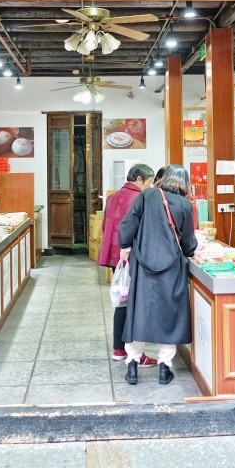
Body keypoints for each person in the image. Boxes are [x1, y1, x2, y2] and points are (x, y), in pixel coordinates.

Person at [118, 164, 197, 386]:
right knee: (170, 315)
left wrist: (125, 246)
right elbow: (188, 242)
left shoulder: (147, 195)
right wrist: (190, 252)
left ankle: (132, 366)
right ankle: (164, 368)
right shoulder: (184, 204)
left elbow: (128, 224)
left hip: (143, 266)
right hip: (172, 267)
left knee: (139, 312)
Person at [97, 163, 158, 367]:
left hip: (117, 256)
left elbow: (106, 225)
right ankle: (135, 353)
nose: (150, 187)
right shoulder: (140, 198)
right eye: (149, 182)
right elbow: (144, 230)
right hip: (134, 257)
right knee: (135, 304)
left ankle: (118, 349)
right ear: (139, 179)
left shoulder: (113, 197)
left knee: (122, 301)